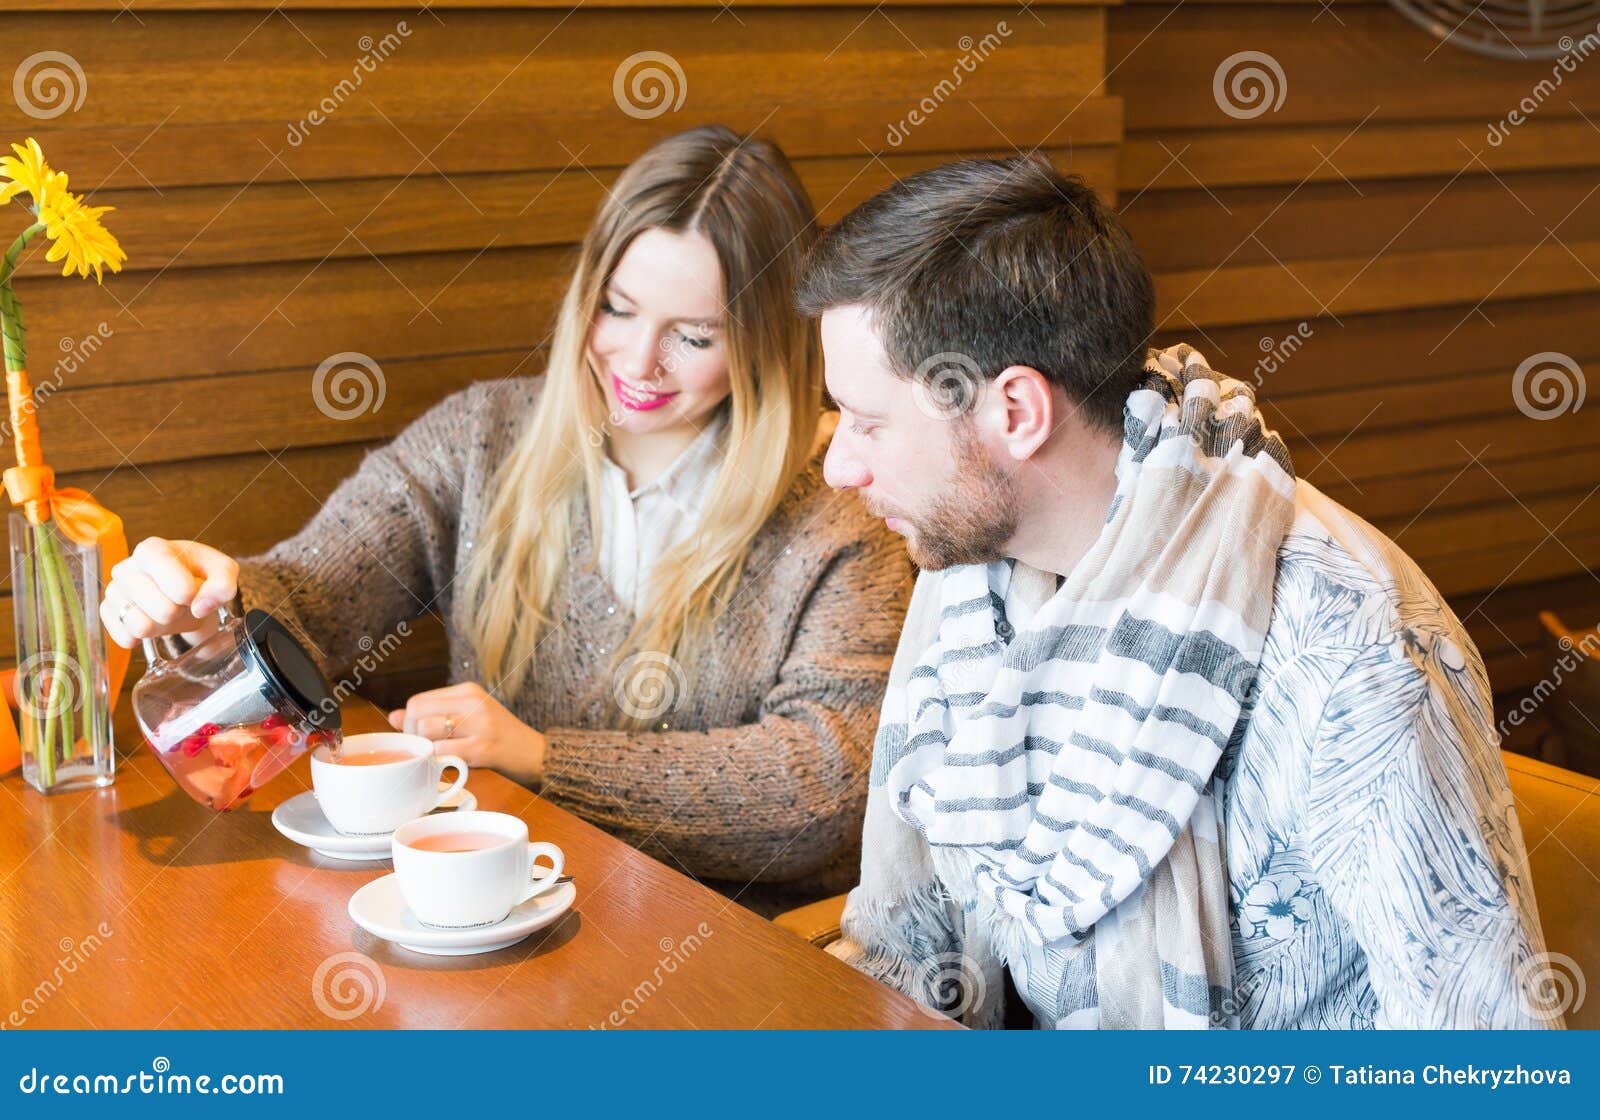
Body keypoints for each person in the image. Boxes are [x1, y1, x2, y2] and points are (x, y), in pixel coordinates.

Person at [795, 155, 1555, 1027]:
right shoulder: (971, 577)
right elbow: (908, 942)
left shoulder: (1358, 652)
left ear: (1015, 413)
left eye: (868, 422)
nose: (839, 464)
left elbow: (1491, 1060)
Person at [101, 125, 912, 914]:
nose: (635, 364)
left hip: (728, 955)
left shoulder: (843, 506)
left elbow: (826, 783)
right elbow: (316, 594)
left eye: (693, 336)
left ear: (767, 341)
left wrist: (542, 758)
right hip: (488, 919)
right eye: (617, 310)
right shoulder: (484, 437)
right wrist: (217, 596)